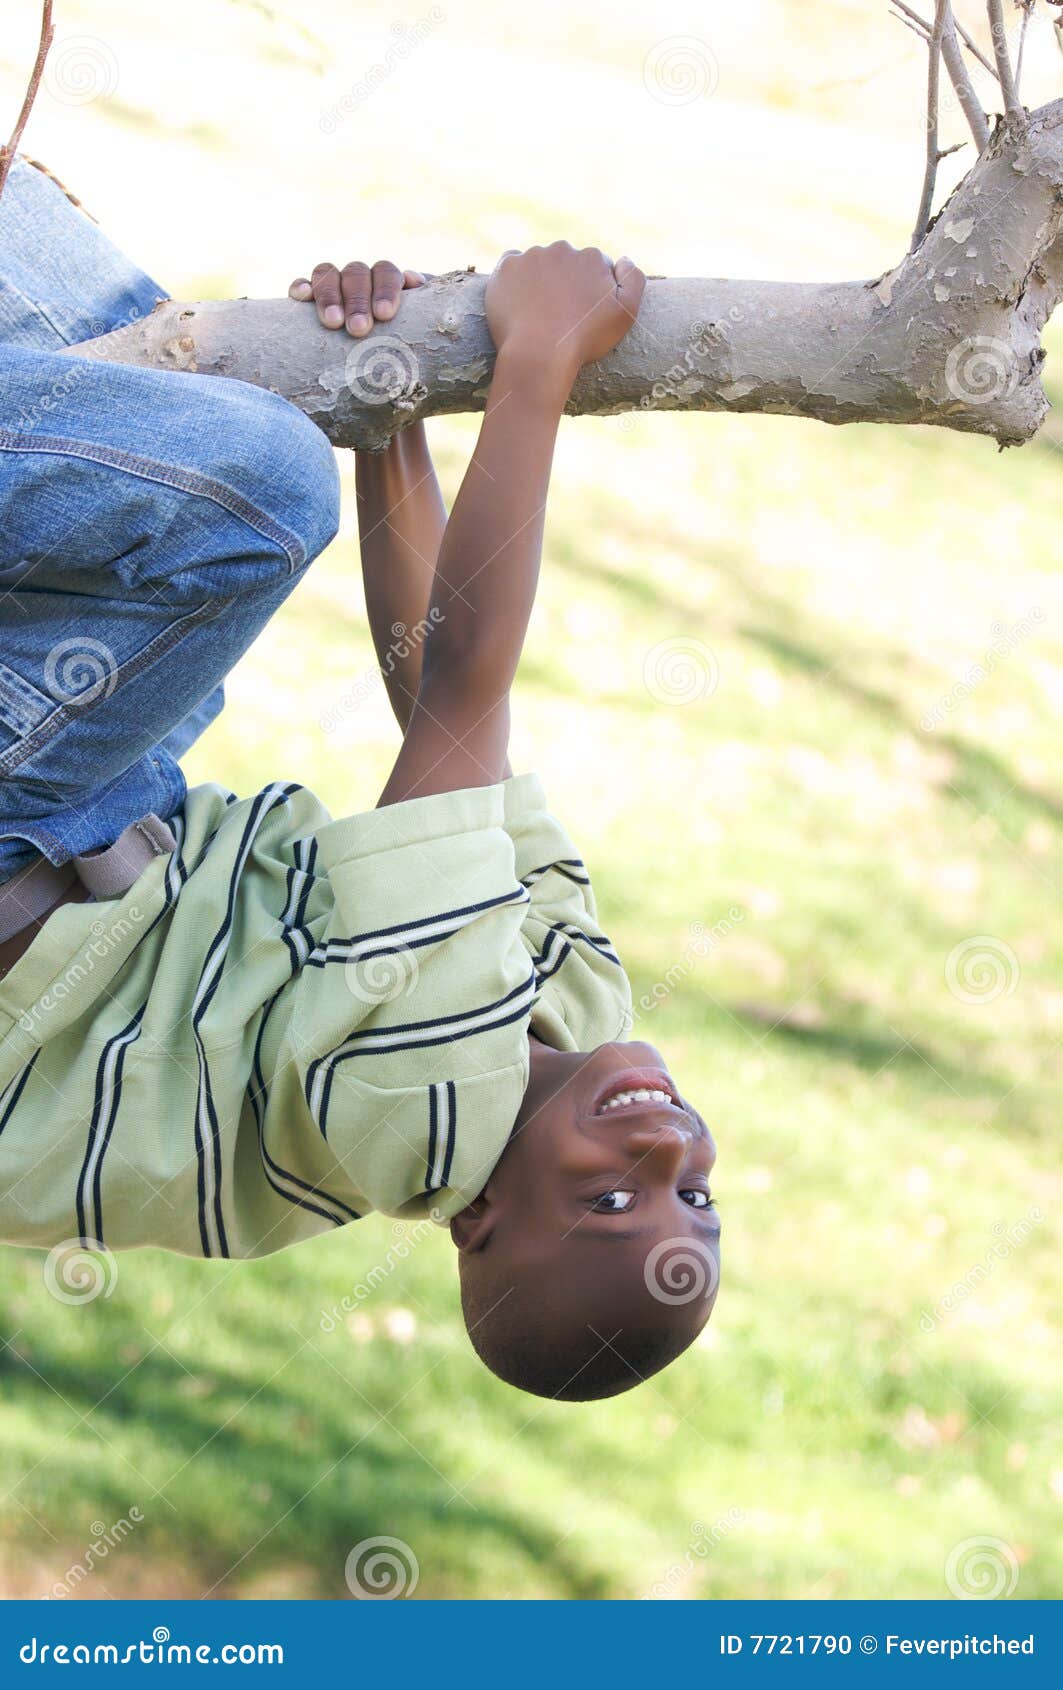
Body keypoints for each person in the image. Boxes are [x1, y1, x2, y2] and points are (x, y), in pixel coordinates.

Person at [0, 161, 719, 1401]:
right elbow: (435, 702)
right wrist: (389, 400)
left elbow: (459, 689)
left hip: (36, 834)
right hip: (94, 803)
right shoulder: (576, 1007)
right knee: (163, 391)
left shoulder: (428, 1109)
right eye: (692, 1193)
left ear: (480, 1220)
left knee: (256, 493)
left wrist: (535, 360)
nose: (662, 1144)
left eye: (612, 1199)